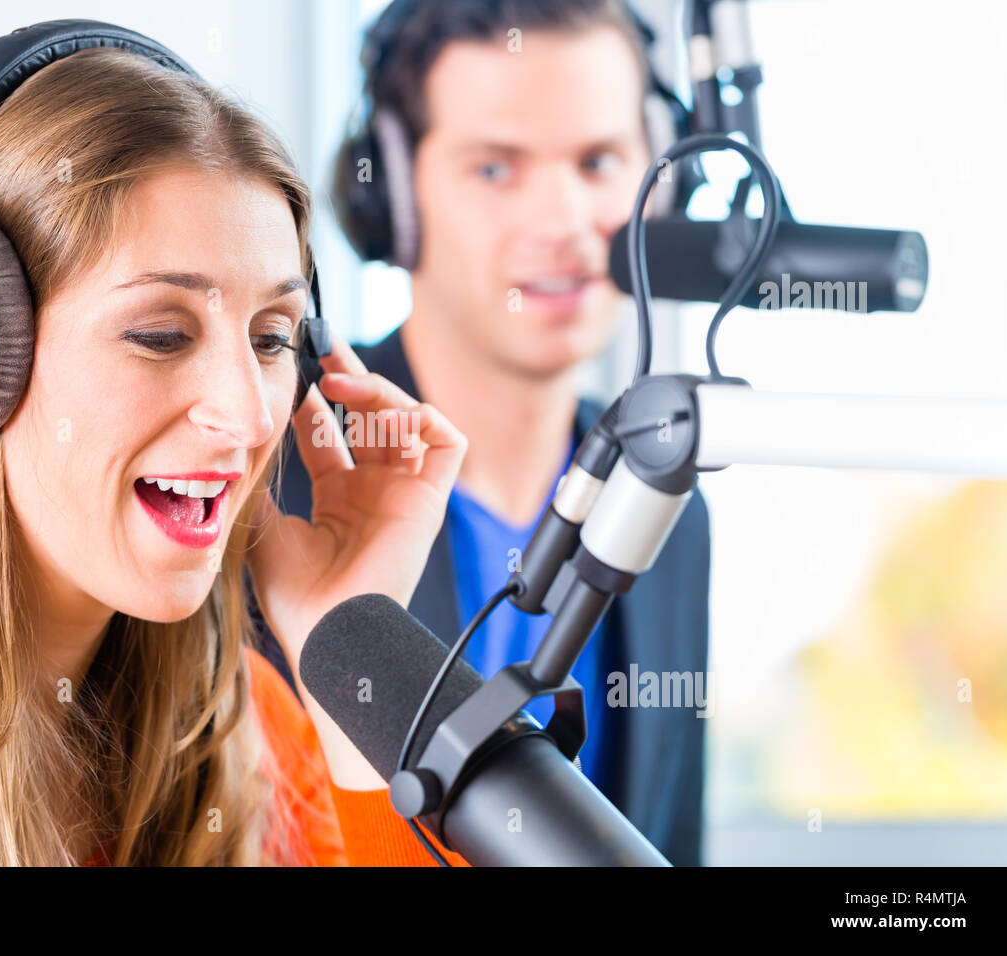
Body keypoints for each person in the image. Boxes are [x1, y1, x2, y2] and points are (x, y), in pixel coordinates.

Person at [0, 36, 471, 866]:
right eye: (160, 334)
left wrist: (351, 649)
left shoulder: (262, 739)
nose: (251, 417)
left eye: (270, 338)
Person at [261, 0, 712, 866]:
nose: (564, 222)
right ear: (391, 194)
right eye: (497, 169)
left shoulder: (665, 506)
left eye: (600, 161)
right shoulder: (271, 487)